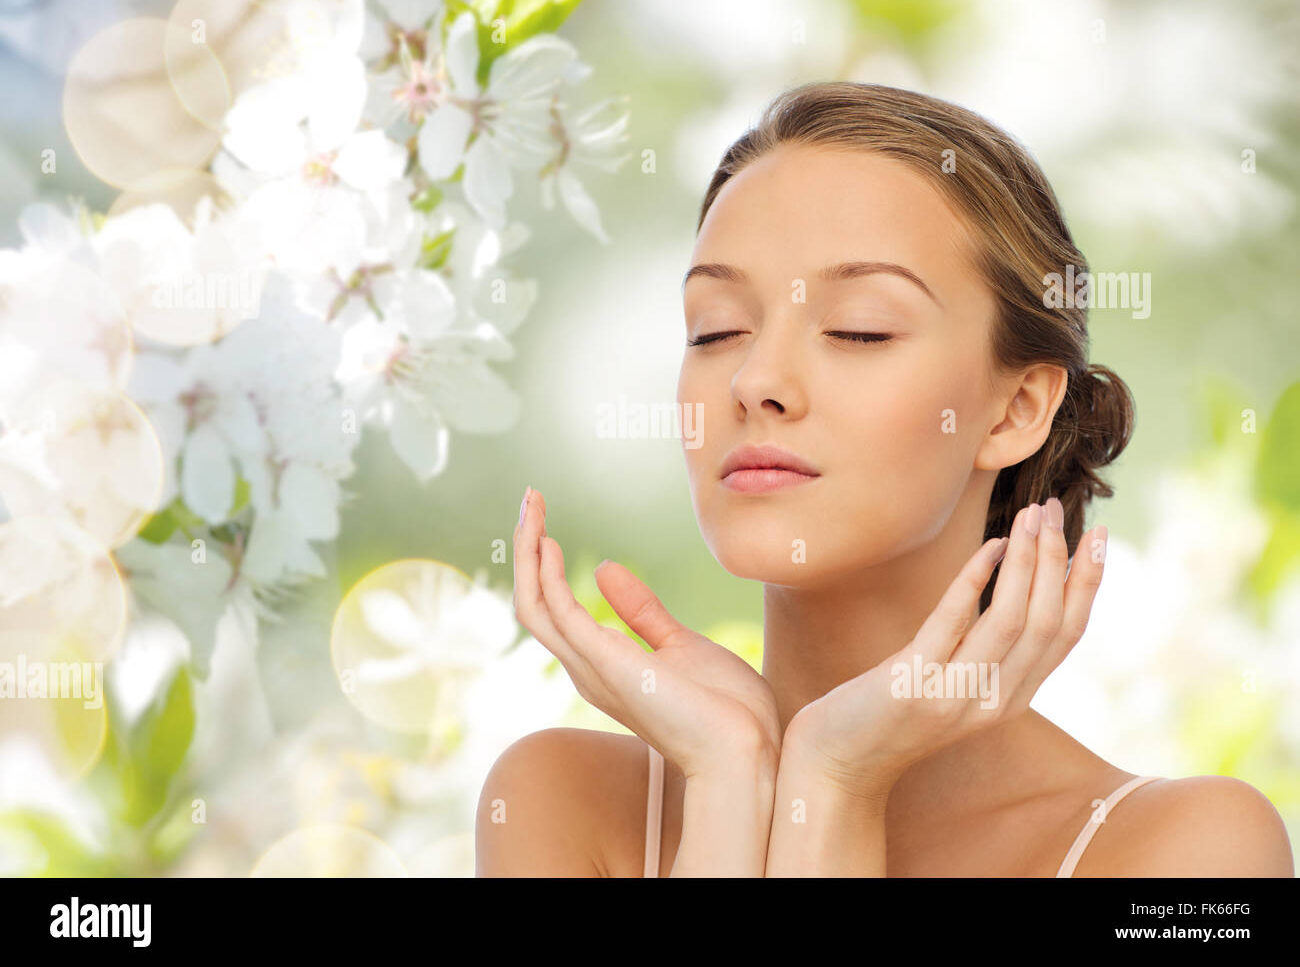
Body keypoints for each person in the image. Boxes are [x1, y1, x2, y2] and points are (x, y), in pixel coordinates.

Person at [476, 82, 1294, 877]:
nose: (755, 379)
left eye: (858, 330)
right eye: (716, 328)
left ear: (1015, 408)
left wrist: (837, 784)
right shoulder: (563, 801)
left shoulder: (1190, 851)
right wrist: (732, 783)